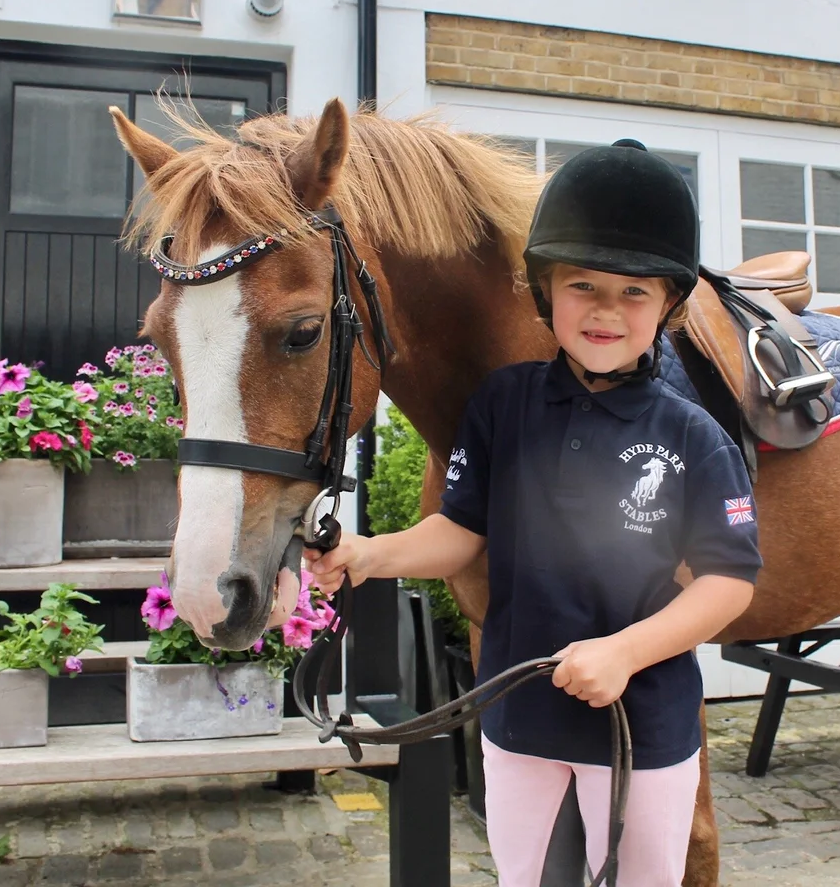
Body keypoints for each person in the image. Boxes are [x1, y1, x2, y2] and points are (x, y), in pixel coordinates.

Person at [306, 139, 761, 886]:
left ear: (668, 305)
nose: (606, 311)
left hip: (642, 722)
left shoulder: (694, 436)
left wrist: (625, 653)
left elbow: (728, 581)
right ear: (544, 292)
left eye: (634, 292)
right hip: (518, 721)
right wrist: (370, 554)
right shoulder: (502, 404)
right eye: (583, 285)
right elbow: (461, 532)